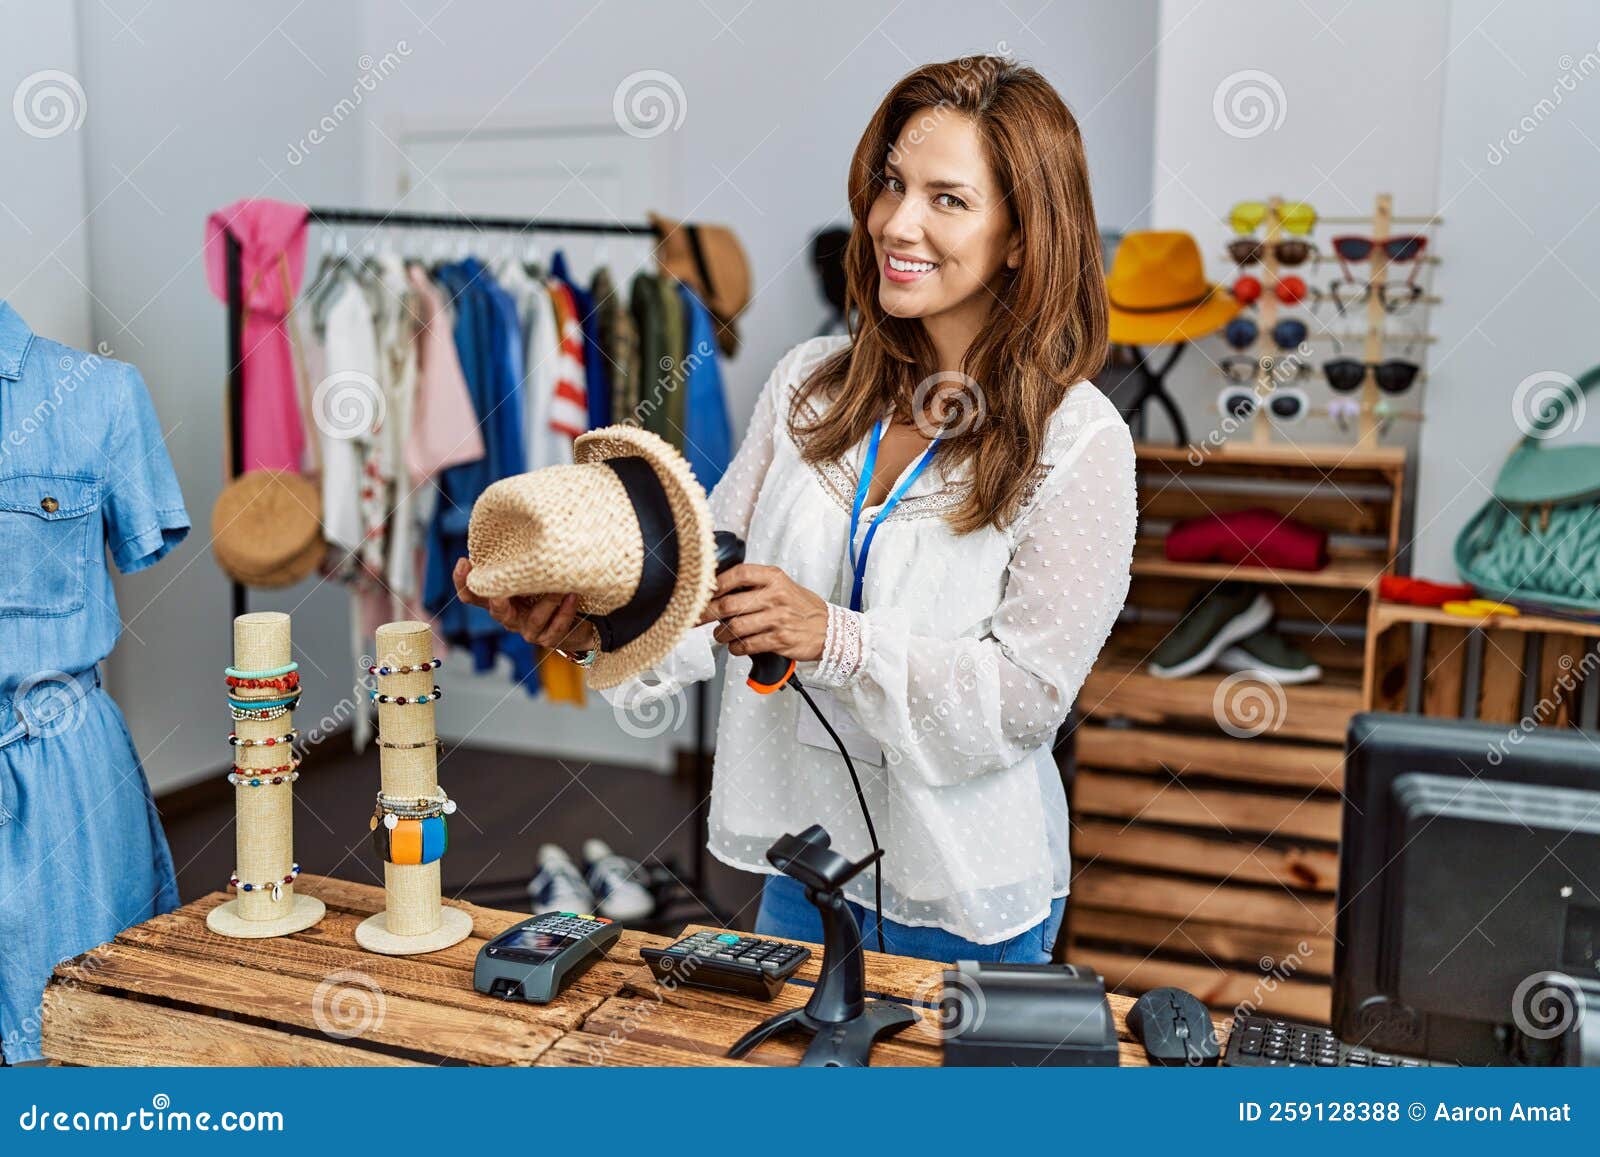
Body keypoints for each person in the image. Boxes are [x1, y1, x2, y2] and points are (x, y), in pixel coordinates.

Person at [454, 55, 1136, 964]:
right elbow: (707, 583)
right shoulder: (808, 388)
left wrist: (835, 635)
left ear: (1023, 236)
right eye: (892, 183)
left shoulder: (1080, 438)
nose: (898, 221)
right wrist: (583, 627)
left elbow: (1026, 699)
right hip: (808, 874)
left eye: (948, 198)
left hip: (974, 896)